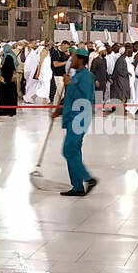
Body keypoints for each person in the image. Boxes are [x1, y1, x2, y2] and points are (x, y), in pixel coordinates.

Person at [51, 47, 97, 196]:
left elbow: (85, 98)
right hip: (72, 117)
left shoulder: (86, 76)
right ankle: (77, 187)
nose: (72, 60)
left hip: (80, 118)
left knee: (68, 150)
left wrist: (69, 84)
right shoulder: (76, 75)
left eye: (74, 58)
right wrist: (59, 109)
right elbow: (70, 96)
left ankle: (88, 179)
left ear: (81, 60)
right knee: (74, 151)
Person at [0, 42, 19, 117]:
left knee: (5, 95)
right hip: (10, 79)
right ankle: (10, 111)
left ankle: (5, 111)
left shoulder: (8, 57)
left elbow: (9, 68)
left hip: (7, 79)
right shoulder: (11, 56)